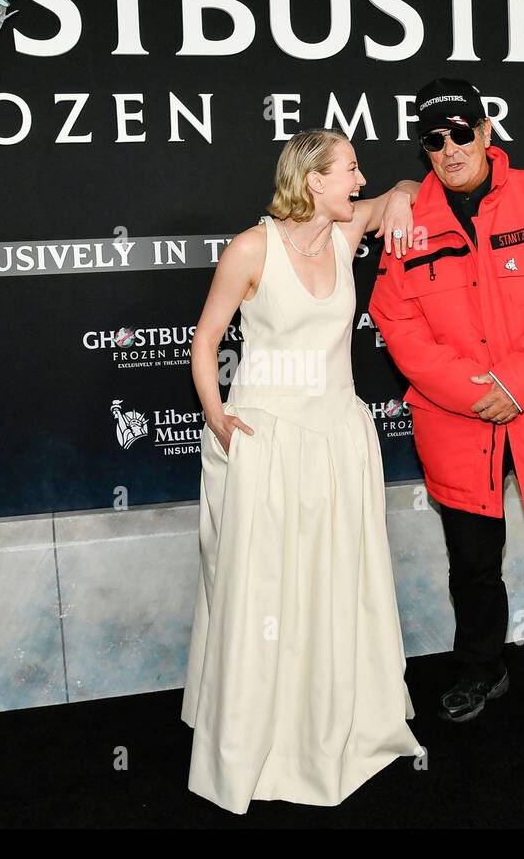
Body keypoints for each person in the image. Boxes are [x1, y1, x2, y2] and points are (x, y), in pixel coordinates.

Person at [181, 128, 424, 813]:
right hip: (268, 440)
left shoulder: (345, 239)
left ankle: (332, 724)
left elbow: (399, 194)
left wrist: (400, 198)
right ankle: (258, 738)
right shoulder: (251, 249)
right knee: (264, 596)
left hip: (337, 438)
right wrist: (218, 417)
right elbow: (203, 344)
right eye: (350, 169)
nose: (360, 178)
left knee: (336, 586)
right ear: (314, 180)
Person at [369, 78, 524, 742]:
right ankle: (481, 667)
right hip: (459, 423)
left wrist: (517, 381)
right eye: (433, 139)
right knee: (472, 564)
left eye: (459, 132)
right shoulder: (407, 220)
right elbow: (394, 319)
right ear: (425, 148)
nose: (448, 148)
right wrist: (472, 391)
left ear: (485, 130)